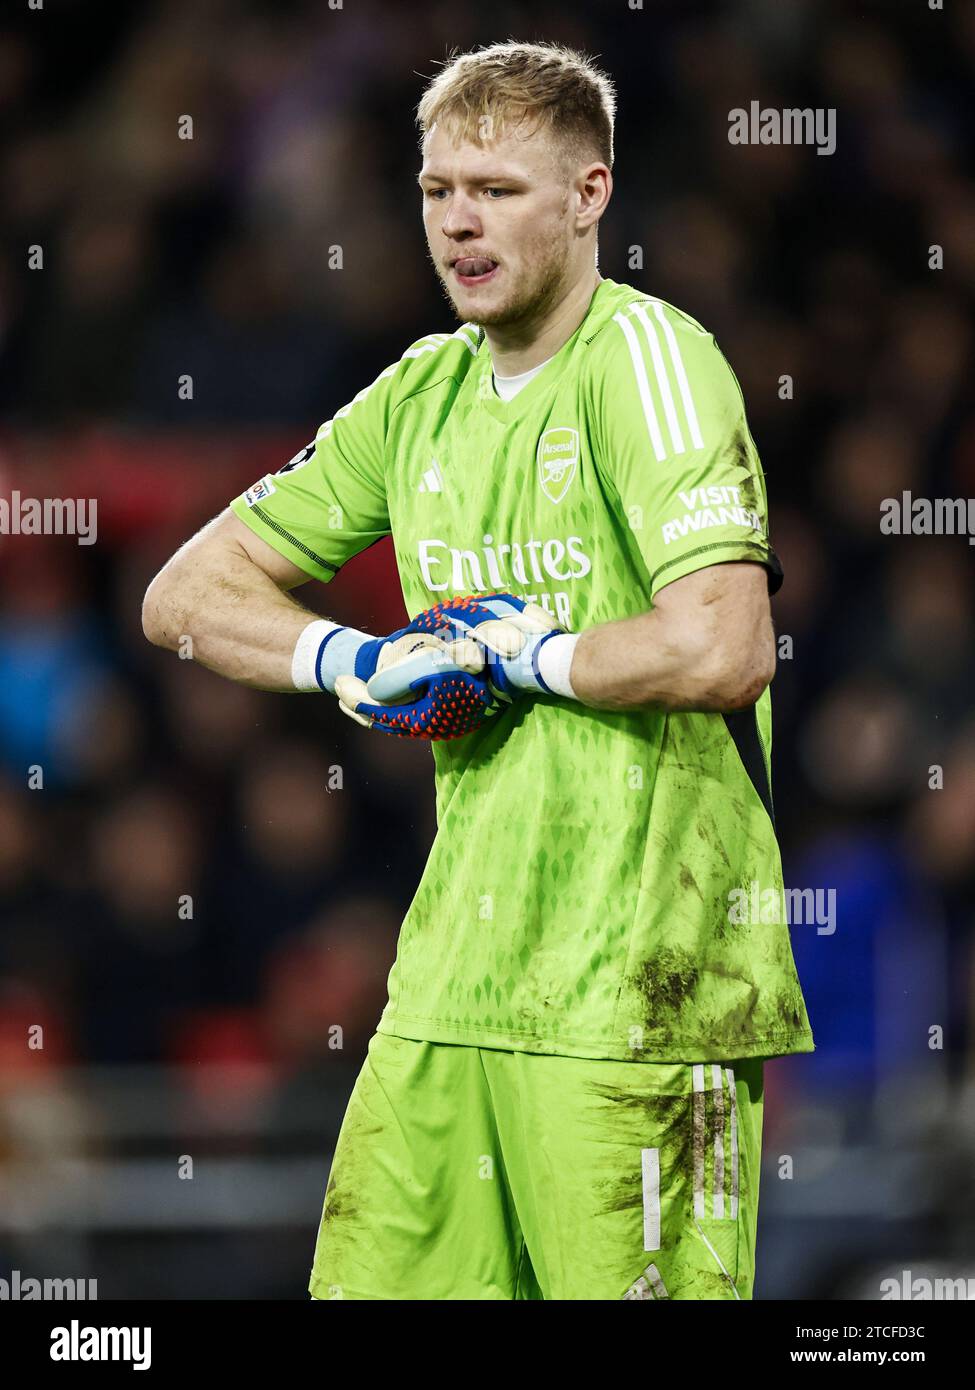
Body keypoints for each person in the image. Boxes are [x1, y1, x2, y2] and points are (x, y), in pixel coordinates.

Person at [142, 39, 814, 1301]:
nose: (460, 219)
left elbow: (725, 644)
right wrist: (346, 657)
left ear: (589, 194)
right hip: (451, 988)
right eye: (440, 188)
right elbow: (183, 594)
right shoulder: (418, 397)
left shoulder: (649, 362)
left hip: (645, 992)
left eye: (498, 189)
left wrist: (533, 657)